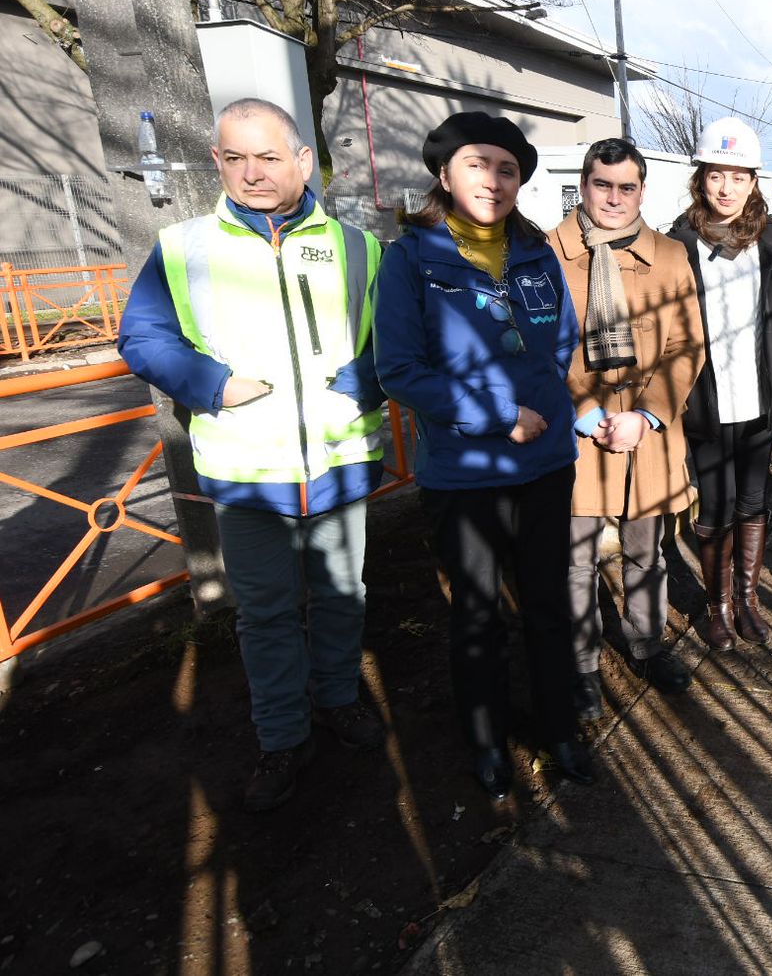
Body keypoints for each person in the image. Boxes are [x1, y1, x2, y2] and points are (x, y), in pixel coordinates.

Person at [118, 97, 385, 812]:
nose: (252, 172)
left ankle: (337, 700)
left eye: (269, 157)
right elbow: (142, 336)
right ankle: (282, 738)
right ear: (216, 161)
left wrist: (371, 378)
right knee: (264, 614)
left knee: (342, 597)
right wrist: (209, 384)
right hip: (248, 471)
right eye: (235, 157)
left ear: (302, 162)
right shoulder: (184, 248)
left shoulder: (360, 245)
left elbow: (396, 332)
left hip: (338, 460)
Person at [374, 111, 592, 800]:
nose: (493, 180)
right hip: (464, 473)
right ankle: (487, 739)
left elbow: (562, 340)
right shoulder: (411, 258)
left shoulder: (535, 251)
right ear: (444, 174)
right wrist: (501, 415)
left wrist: (541, 408)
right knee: (475, 613)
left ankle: (560, 728)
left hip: (546, 464)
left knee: (549, 604)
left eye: (506, 169)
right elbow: (400, 371)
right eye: (477, 164)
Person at [551, 139, 706, 718]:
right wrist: (586, 412)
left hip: (648, 430)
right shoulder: (550, 252)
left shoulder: (668, 256)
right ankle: (583, 663)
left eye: (627, 187)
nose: (613, 198)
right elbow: (545, 345)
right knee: (577, 557)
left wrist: (643, 417)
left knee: (647, 550)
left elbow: (687, 343)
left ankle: (646, 643)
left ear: (642, 190)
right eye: (601, 184)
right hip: (578, 430)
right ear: (584, 184)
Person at [666, 118, 772, 651]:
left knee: (753, 500)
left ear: (754, 182)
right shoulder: (677, 242)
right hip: (705, 399)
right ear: (700, 178)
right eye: (716, 175)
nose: (726, 188)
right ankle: (718, 606)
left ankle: (748, 600)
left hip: (758, 398)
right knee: (715, 506)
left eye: (738, 177)